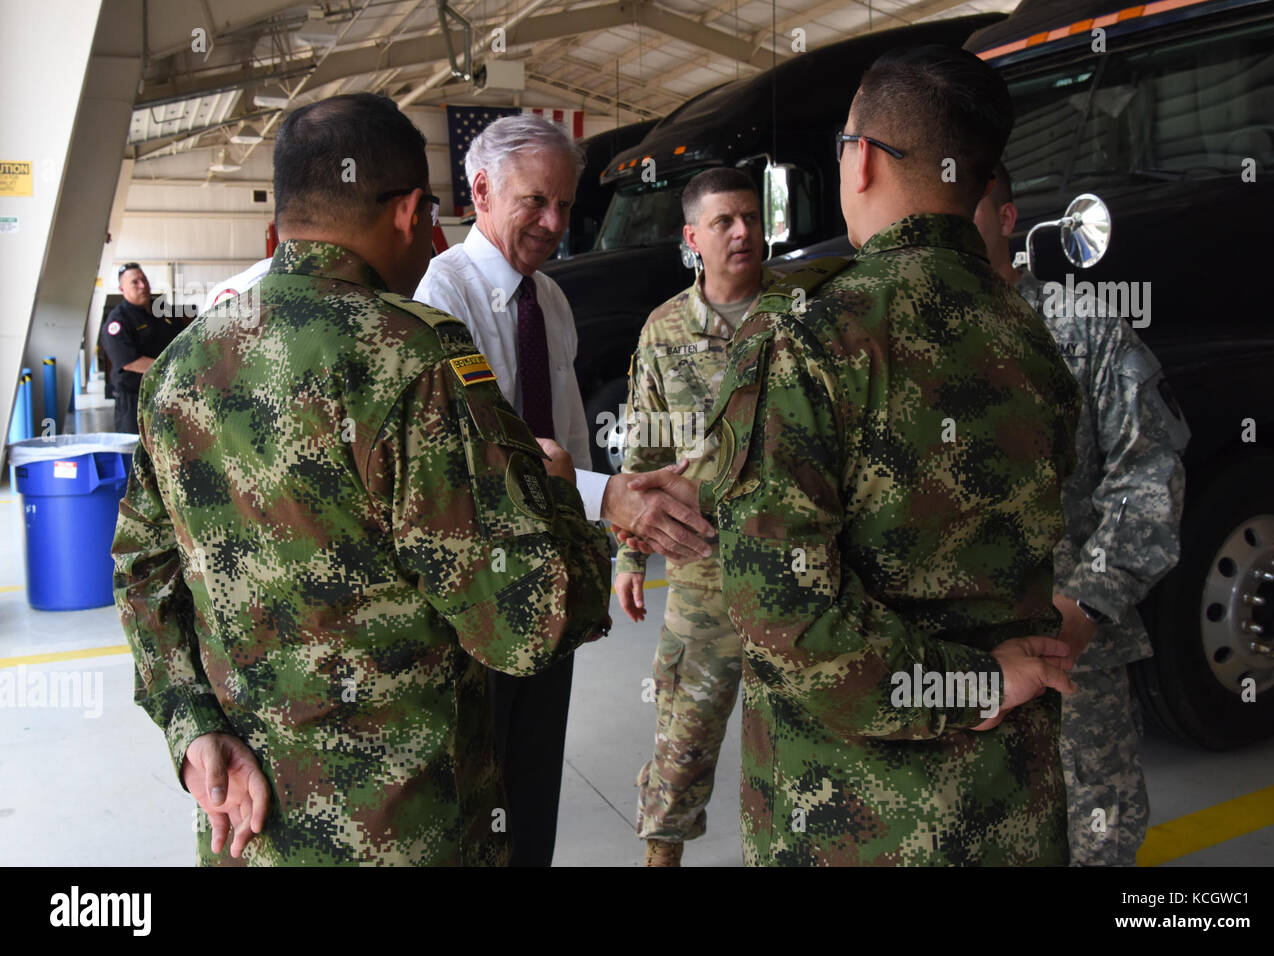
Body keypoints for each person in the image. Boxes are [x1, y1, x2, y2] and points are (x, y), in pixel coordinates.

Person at [112, 92, 613, 866]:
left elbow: (143, 571)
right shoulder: (416, 358)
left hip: (249, 827)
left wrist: (193, 726)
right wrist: (557, 499)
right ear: (410, 212)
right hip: (406, 829)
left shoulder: (181, 365)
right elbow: (525, 626)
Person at [697, 46, 1082, 865]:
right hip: (1014, 812)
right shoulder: (1032, 339)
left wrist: (971, 683)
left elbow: (786, 616)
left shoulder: (807, 337)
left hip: (852, 826)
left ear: (862, 159)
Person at [413, 112, 711, 867]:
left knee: (534, 779)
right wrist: (608, 497)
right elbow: (485, 462)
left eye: (565, 205)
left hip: (550, 583)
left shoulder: (547, 297)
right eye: (535, 202)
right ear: (482, 191)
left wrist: (615, 518)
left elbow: (569, 439)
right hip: (483, 591)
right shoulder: (443, 297)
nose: (554, 223)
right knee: (482, 790)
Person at [975, 162, 1189, 866]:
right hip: (953, 666)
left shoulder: (1083, 328)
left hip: (1076, 658)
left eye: (965, 206)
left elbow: (1149, 473)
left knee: (1096, 837)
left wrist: (1086, 602)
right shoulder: (899, 341)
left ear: (1007, 219)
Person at [613, 167, 776, 866]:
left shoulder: (802, 315)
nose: (742, 232)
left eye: (751, 218)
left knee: (797, 749)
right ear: (692, 238)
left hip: (795, 574)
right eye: (723, 222)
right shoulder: (665, 330)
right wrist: (629, 555)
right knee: (681, 743)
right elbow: (644, 450)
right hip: (700, 573)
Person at [100, 263, 183, 432]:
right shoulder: (118, 320)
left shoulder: (163, 311)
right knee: (136, 445)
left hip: (169, 395)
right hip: (135, 400)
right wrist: (175, 369)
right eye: (135, 282)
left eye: (144, 279)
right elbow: (130, 362)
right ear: (122, 289)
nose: (143, 285)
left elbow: (183, 339)